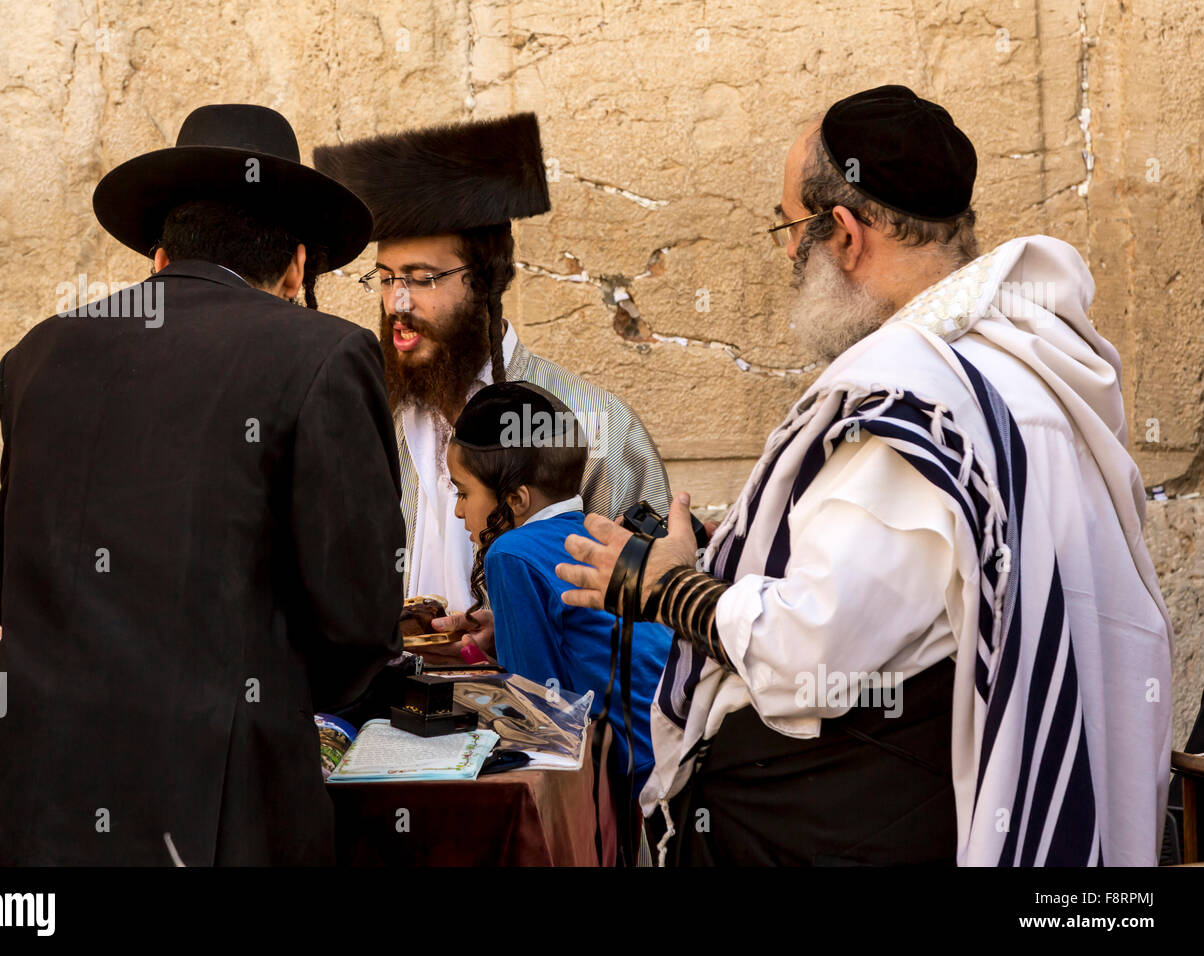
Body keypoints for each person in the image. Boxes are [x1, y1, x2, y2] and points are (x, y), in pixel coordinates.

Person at [556, 85, 1174, 866]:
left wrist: (665, 587)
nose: (786, 254)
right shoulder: (1031, 371)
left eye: (787, 228)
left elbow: (812, 652)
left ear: (844, 233)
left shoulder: (913, 402)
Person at [0, 104, 405, 865]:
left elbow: (13, 589)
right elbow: (357, 624)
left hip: (7, 807)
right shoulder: (327, 352)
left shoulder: (37, 355)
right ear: (299, 266)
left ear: (160, 259)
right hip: (205, 817)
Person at [314, 113, 671, 660]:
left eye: (422, 278)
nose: (398, 306)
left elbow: (650, 624)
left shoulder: (595, 426)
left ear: (486, 279)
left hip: (531, 728)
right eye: (386, 279)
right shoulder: (370, 418)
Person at [445, 382, 671, 798]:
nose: (459, 510)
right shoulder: (592, 536)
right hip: (674, 747)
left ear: (516, 498)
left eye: (463, 492)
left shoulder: (512, 553)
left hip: (636, 773)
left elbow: (536, 720)